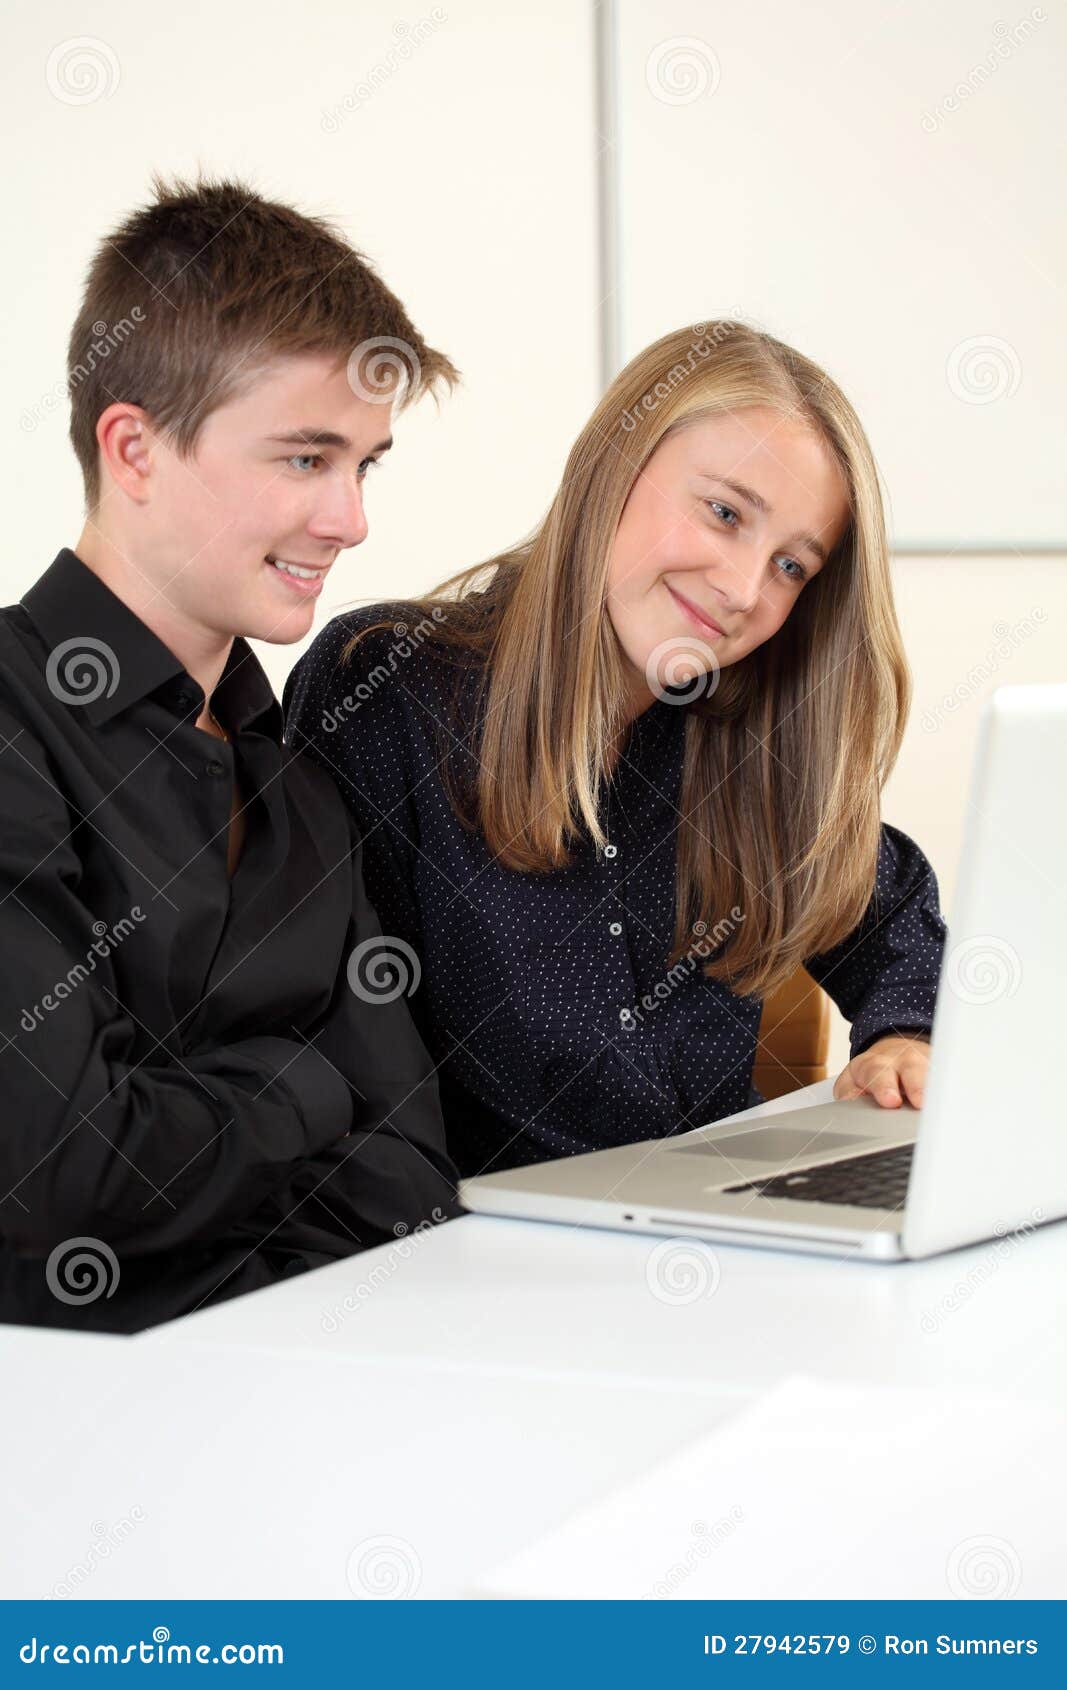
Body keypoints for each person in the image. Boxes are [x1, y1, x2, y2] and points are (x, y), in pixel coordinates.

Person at [284, 320, 946, 1179]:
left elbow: (888, 910)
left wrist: (905, 1032)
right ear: (613, 470)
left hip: (707, 1232)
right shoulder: (387, 689)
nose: (744, 590)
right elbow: (327, 1054)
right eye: (723, 513)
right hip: (467, 1255)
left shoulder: (738, 735)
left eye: (791, 566)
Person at [0, 173, 461, 1332]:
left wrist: (208, 1112)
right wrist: (308, 1082)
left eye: (365, 464)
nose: (351, 519)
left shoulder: (297, 765)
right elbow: (68, 1183)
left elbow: (408, 1177)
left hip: (299, 1385)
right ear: (135, 449)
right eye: (306, 459)